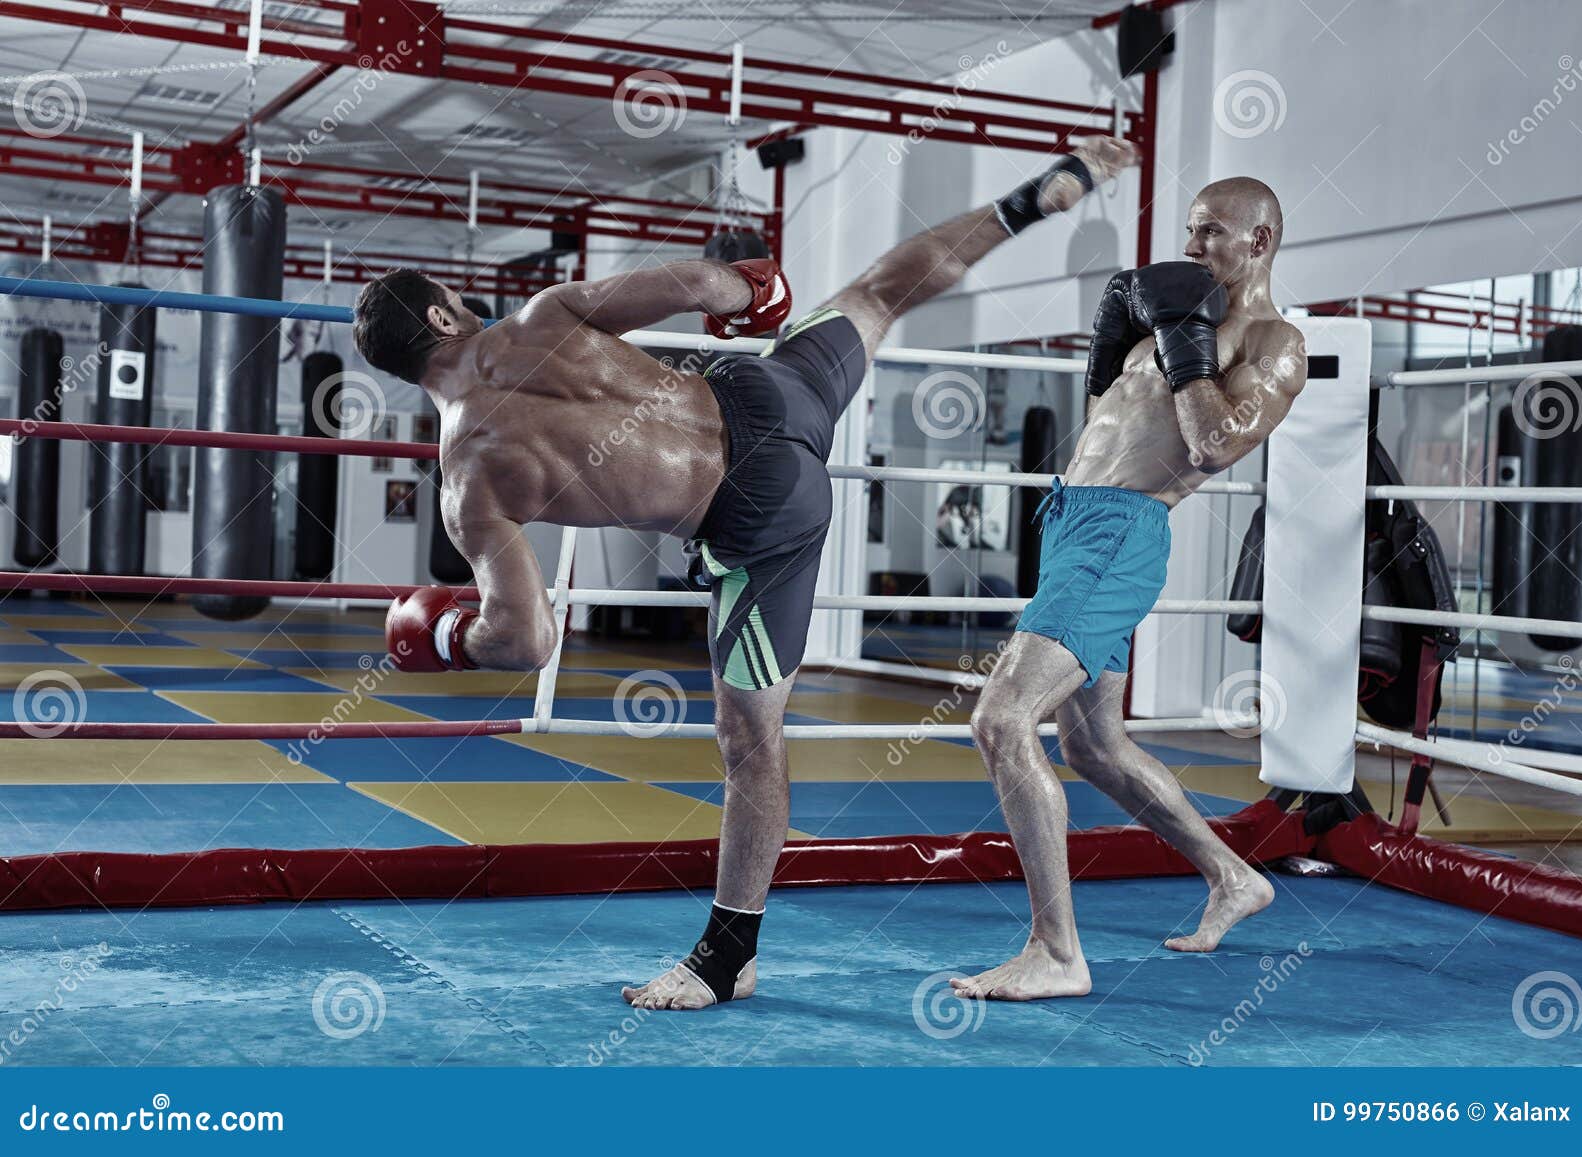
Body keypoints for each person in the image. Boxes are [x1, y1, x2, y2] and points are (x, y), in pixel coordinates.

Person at [353, 133, 1141, 1011]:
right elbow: (711, 285)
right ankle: (1027, 202)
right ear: (443, 317)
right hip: (768, 390)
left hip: (756, 514)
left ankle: (728, 956)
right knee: (880, 291)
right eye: (460, 300)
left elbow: (527, 639)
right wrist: (753, 293)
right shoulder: (545, 313)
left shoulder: (467, 479)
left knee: (748, 740)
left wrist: (448, 637)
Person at [951, 177, 1308, 1003]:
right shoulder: (1174, 314)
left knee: (1001, 719)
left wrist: (1182, 339)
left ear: (1258, 242)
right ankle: (1232, 876)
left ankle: (1056, 952)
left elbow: (1213, 445)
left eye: (1210, 232)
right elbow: (1111, 425)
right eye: (1188, 230)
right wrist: (1120, 341)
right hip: (1074, 517)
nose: (1190, 247)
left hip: (1121, 533)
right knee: (1094, 746)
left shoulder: (1272, 341)